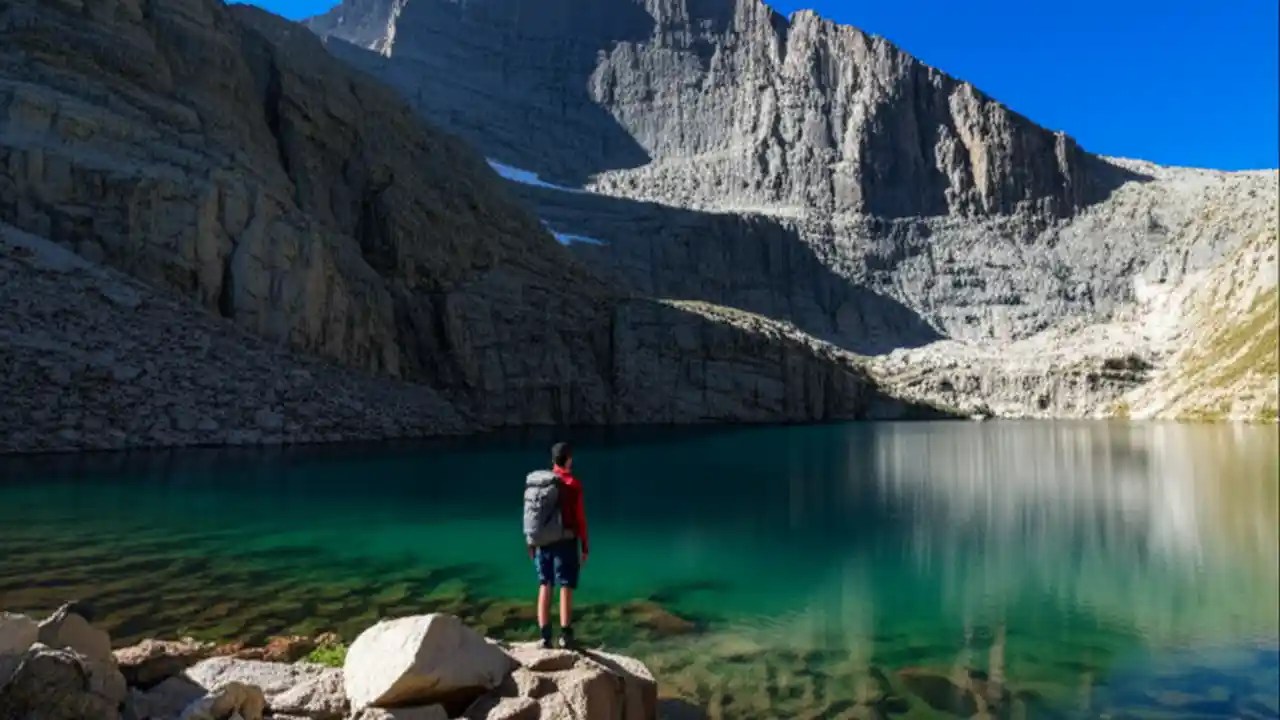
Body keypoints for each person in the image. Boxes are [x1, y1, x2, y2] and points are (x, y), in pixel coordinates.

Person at [528, 441, 589, 649]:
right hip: (566, 540)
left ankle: (545, 636)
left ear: (553, 461)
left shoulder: (540, 483)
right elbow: (580, 518)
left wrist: (531, 541)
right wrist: (585, 545)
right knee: (565, 586)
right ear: (569, 459)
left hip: (542, 541)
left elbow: (530, 516)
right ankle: (565, 635)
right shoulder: (572, 484)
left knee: (545, 584)